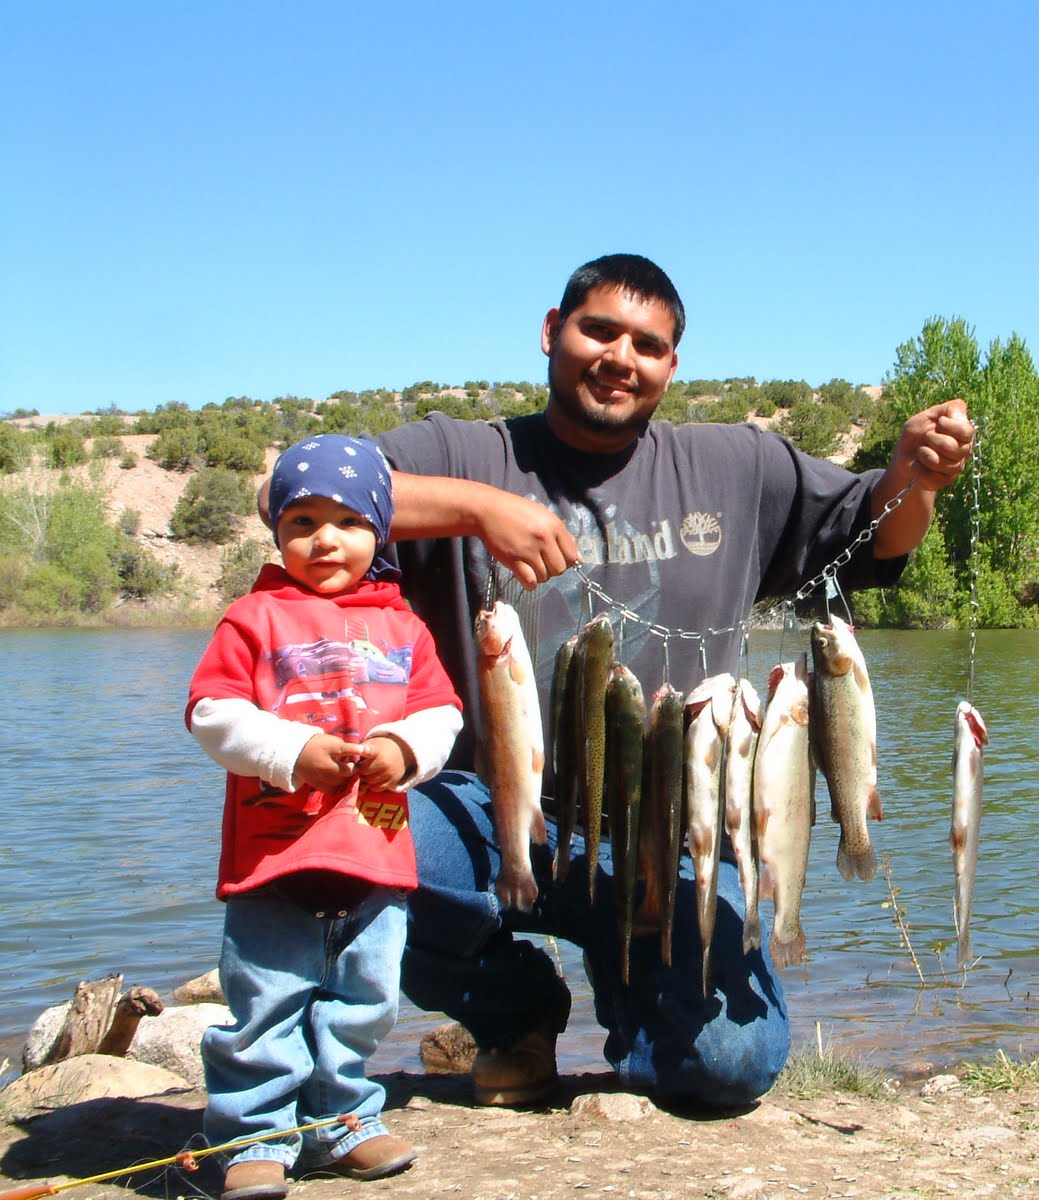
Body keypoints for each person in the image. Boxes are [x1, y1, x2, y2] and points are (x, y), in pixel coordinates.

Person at [375, 253, 974, 1109]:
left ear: (671, 368)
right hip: (496, 806)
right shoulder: (462, 451)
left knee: (730, 1066)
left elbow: (875, 533)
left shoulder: (737, 467)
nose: (621, 356)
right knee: (352, 848)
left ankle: (633, 993)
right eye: (599, 331)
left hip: (681, 821)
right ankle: (517, 1009)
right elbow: (295, 488)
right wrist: (476, 508)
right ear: (552, 332)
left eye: (648, 345)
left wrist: (918, 475)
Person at [188, 435, 463, 1200]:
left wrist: (403, 749)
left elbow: (441, 715)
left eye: (346, 520)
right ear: (276, 532)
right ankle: (254, 1132)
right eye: (301, 520)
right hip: (274, 859)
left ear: (379, 529)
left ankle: (344, 1119)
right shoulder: (253, 617)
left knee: (365, 998)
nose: (323, 538)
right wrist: (291, 750)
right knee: (266, 998)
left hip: (374, 854)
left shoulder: (405, 627)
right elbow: (212, 715)